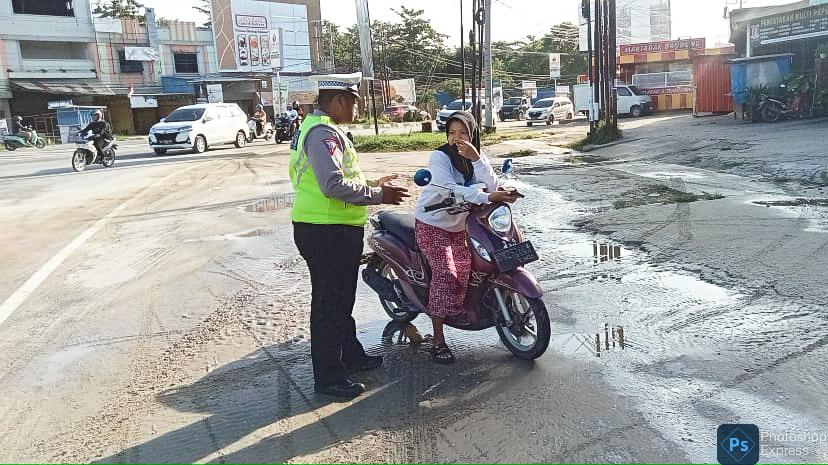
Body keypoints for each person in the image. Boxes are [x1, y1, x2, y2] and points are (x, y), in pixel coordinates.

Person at [289, 72, 409, 399]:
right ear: (339, 101)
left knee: (341, 299)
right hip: (326, 231)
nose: (358, 109)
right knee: (330, 304)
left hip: (328, 227)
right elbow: (332, 185)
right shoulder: (323, 134)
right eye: (355, 103)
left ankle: (351, 356)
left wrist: (372, 183)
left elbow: (338, 177)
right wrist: (378, 195)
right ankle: (328, 377)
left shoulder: (320, 128)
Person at [414, 112, 517, 364]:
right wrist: (486, 197)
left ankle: (456, 309)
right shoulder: (439, 157)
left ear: (473, 135)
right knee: (447, 274)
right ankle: (437, 340)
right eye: (451, 133)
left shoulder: (476, 157)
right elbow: (450, 189)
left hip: (459, 226)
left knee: (467, 271)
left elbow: (492, 185)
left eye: (463, 133)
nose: (456, 138)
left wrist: (478, 160)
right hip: (432, 224)